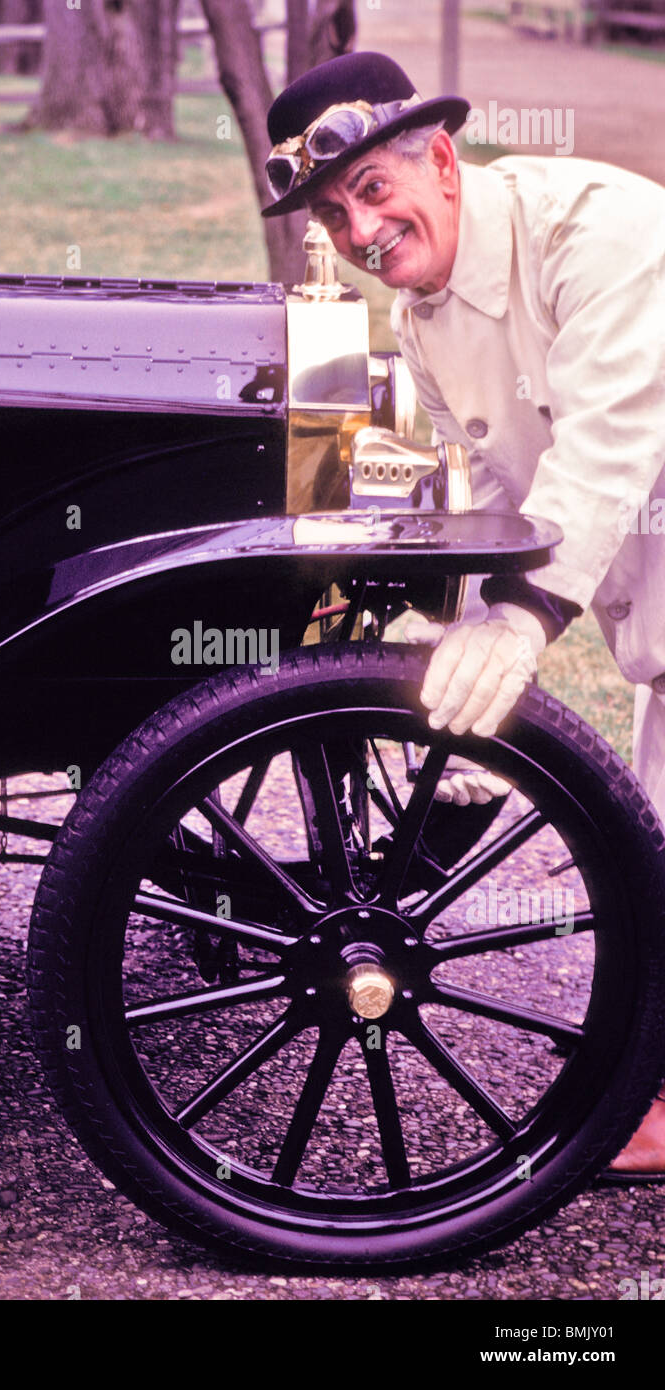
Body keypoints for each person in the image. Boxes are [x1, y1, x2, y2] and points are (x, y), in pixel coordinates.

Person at [263, 51, 665, 1181]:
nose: (361, 231)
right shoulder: (426, 314)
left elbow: (605, 451)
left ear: (439, 159)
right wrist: (455, 638)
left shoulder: (601, 235)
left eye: (373, 193)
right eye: (336, 216)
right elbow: (496, 496)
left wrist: (523, 621)